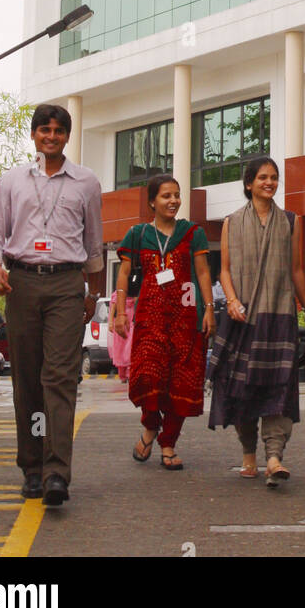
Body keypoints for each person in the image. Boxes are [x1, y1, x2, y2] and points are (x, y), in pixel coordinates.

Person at [0, 102, 103, 506]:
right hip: (22, 285)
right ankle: (31, 467)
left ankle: (56, 473)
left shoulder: (86, 182)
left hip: (67, 283)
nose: (51, 136)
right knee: (27, 380)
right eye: (44, 130)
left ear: (68, 136)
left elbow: (94, 246)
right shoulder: (11, 182)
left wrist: (92, 294)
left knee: (61, 379)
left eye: (59, 130)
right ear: (33, 135)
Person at [208, 156, 305, 487]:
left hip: (280, 315)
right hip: (243, 318)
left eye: (274, 178)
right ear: (248, 183)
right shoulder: (231, 222)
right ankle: (248, 451)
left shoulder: (291, 221)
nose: (269, 183)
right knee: (243, 389)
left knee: (278, 388)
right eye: (262, 178)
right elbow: (224, 270)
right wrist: (232, 301)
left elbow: (296, 269)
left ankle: (274, 457)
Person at [114, 176, 215, 470]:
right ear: (152, 202)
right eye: (166, 196)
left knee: (180, 383)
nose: (173, 201)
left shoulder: (192, 233)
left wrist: (209, 309)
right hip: (150, 317)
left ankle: (168, 443)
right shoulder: (138, 233)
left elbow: (203, 273)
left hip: (186, 316)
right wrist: (120, 312)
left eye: (177, 195)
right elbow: (123, 274)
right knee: (147, 375)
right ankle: (149, 427)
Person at [107, 289, 136, 383]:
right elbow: (113, 309)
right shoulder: (118, 294)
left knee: (130, 347)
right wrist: (111, 323)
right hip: (121, 323)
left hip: (132, 322)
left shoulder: (135, 293)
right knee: (120, 348)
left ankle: (130, 373)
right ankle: (123, 375)